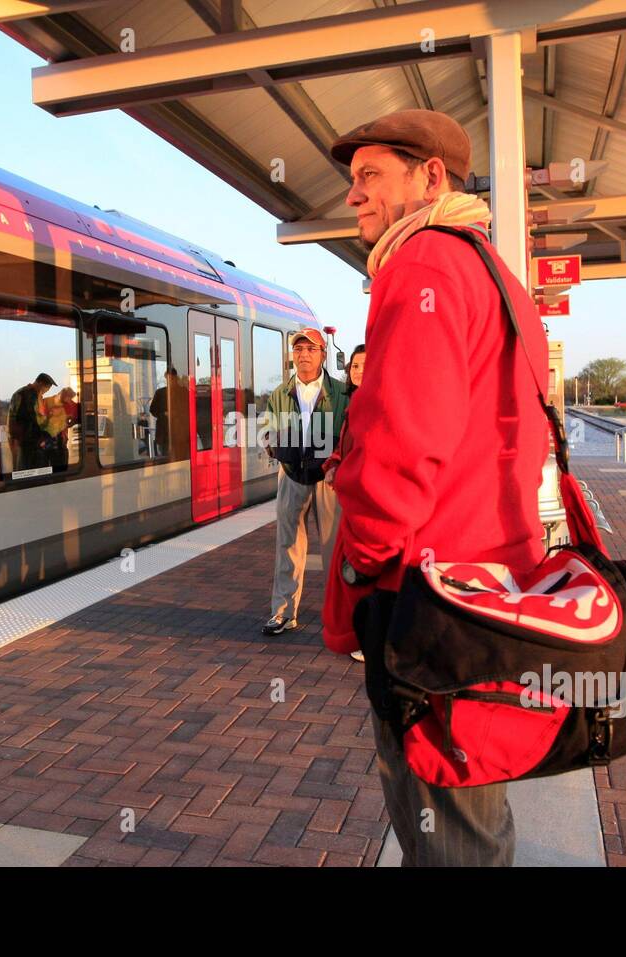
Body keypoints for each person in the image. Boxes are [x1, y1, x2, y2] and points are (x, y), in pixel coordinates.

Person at [322, 109, 550, 866]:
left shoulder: (419, 265)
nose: (353, 196)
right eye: (351, 180)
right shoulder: (496, 275)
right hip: (494, 582)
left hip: (430, 597)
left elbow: (400, 445)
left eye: (370, 176)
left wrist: (364, 560)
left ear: (430, 178)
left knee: (440, 816)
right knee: (472, 800)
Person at [260, 328, 348, 635]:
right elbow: (267, 428)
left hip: (329, 478)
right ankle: (283, 612)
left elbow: (351, 434)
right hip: (292, 475)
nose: (304, 354)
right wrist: (273, 443)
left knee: (333, 547)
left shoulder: (341, 393)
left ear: (323, 354)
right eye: (298, 349)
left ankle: (337, 615)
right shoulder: (278, 394)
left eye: (311, 349)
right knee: (287, 545)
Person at [324, 344, 366, 664]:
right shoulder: (354, 404)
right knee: (350, 565)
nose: (359, 371)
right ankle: (359, 632)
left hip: (365, 498)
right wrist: (335, 464)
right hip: (351, 496)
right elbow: (344, 446)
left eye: (366, 365)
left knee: (360, 567)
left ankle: (365, 635)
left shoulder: (373, 405)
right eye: (354, 366)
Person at [7, 372, 55, 472]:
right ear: (41, 384)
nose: (46, 391)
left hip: (35, 443)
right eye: (47, 388)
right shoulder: (24, 394)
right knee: (27, 475)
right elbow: (25, 419)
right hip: (27, 444)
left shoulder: (34, 395)